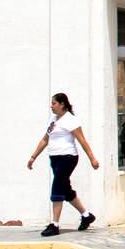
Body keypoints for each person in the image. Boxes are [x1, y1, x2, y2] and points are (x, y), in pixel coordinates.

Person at [28, 92, 100, 236]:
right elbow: (45, 140)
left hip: (68, 157)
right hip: (55, 158)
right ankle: (87, 216)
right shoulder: (53, 119)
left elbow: (82, 140)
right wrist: (33, 157)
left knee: (57, 187)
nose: (51, 106)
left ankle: (54, 224)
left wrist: (92, 158)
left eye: (54, 103)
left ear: (62, 104)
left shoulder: (71, 120)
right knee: (65, 189)